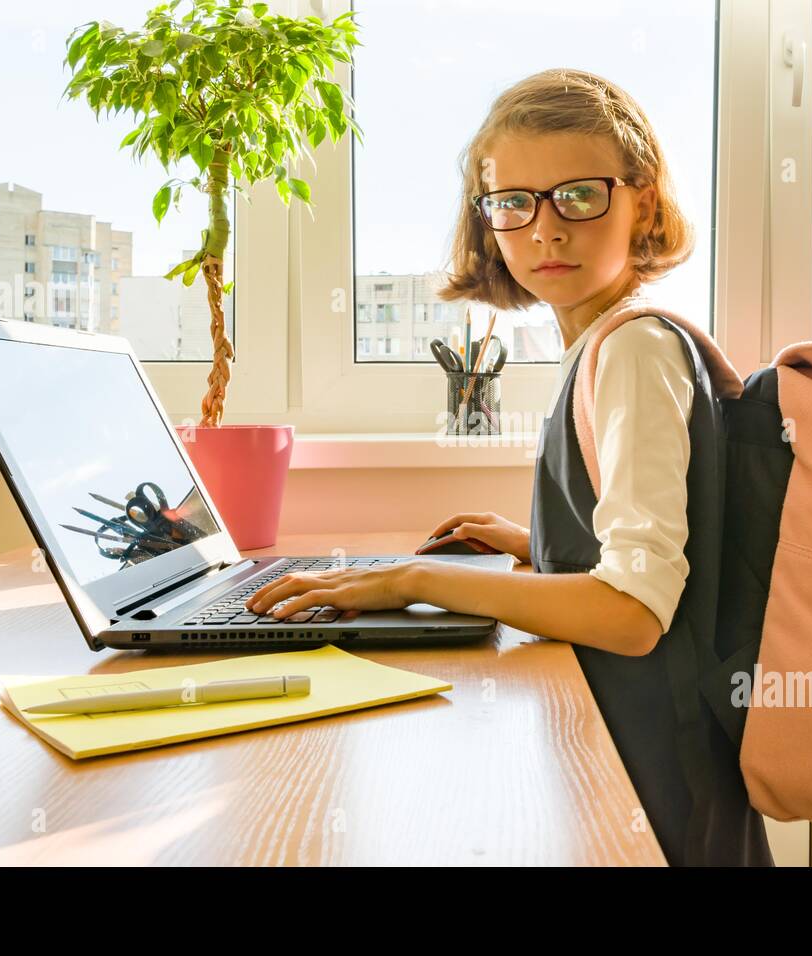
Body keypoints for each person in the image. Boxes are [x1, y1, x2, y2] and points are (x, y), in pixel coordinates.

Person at [245, 68, 774, 867]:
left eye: (580, 196)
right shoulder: (608, 343)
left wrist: (414, 581)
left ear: (646, 204)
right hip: (636, 753)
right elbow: (666, 547)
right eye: (514, 202)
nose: (545, 230)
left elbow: (634, 611)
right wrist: (534, 543)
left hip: (663, 781)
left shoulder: (631, 350)